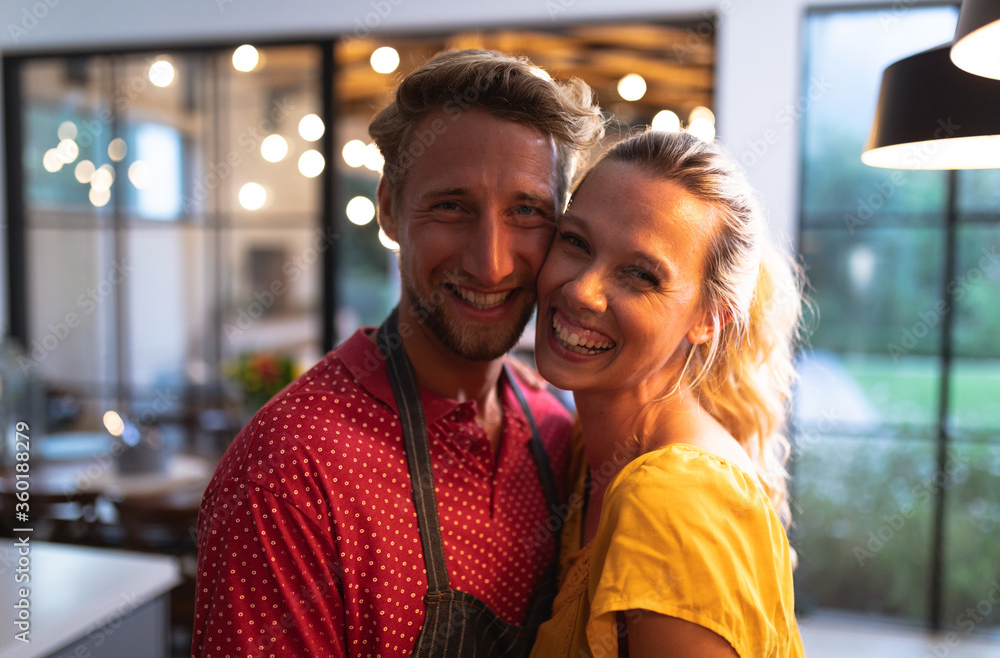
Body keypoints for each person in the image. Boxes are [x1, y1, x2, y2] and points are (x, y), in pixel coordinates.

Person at [192, 50, 604, 657]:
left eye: (526, 211)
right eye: (451, 206)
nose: (490, 261)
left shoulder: (557, 430)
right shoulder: (288, 474)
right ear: (388, 207)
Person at [529, 129, 805, 657]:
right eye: (576, 242)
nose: (582, 290)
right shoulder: (593, 451)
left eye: (639, 274)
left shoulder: (673, 496)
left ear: (709, 319)